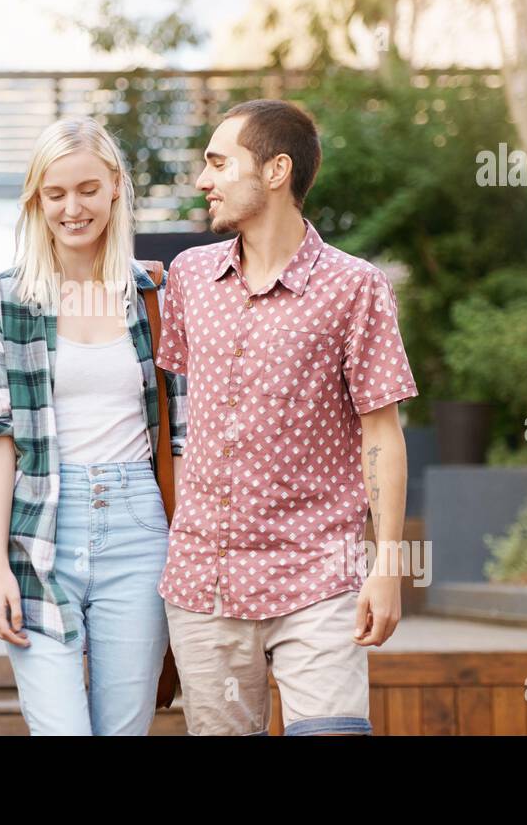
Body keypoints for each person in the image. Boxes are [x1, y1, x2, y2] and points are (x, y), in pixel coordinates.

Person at [155, 99, 418, 736]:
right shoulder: (190, 277)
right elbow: (175, 423)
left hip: (319, 578)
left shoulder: (355, 287)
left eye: (219, 163)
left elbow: (381, 432)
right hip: (205, 583)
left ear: (275, 171)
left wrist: (386, 566)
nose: (203, 180)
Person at [0, 116, 188, 735]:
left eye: (87, 188)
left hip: (140, 526)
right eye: (55, 193)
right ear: (36, 199)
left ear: (115, 186)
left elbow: (182, 440)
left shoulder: (156, 299)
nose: (72, 208)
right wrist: (1, 565)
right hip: (40, 526)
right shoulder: (3, 300)